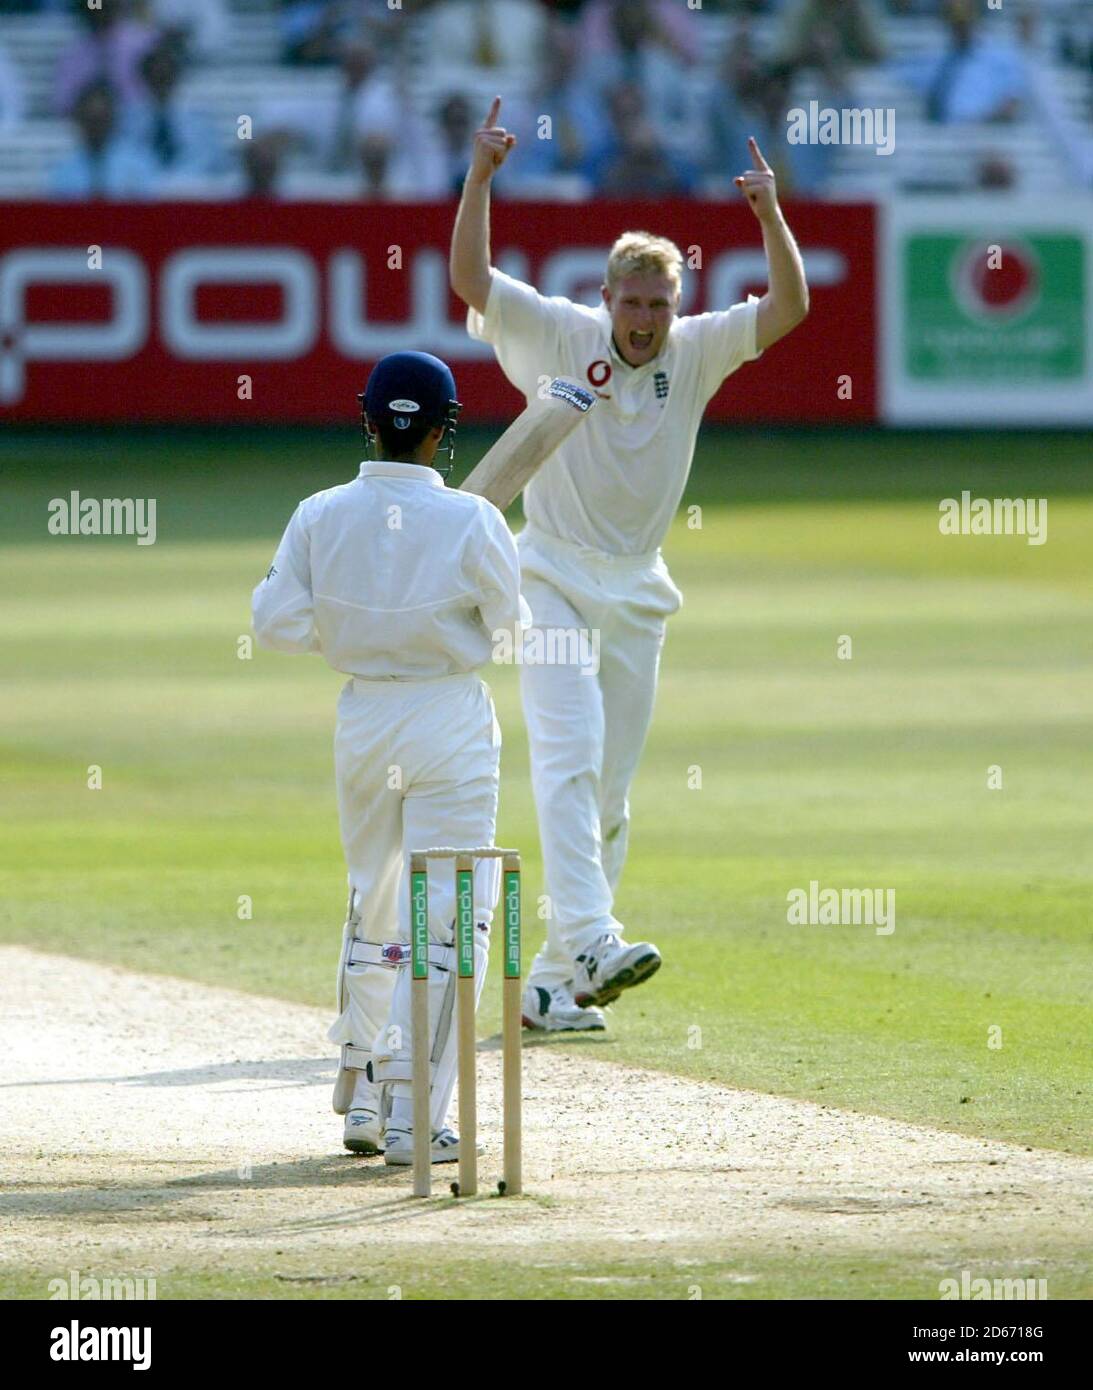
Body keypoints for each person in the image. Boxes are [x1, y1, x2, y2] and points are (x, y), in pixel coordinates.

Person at [450, 98, 810, 1033]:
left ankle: (549, 985)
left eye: (659, 303)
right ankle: (597, 936)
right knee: (567, 762)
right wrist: (480, 177)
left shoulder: (693, 353)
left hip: (637, 586)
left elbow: (789, 308)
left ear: (675, 306)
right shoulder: (559, 333)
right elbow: (473, 280)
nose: (644, 318)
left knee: (608, 798)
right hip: (552, 575)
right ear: (604, 298)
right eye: (632, 302)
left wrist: (770, 214)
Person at [252, 353, 526, 1165]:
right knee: (447, 918)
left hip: (363, 715)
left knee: (377, 902)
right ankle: (414, 1121)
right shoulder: (474, 521)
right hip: (447, 714)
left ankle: (363, 1090)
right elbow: (515, 633)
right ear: (445, 431)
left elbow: (272, 623)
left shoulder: (319, 514)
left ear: (367, 419)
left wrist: (351, 632)